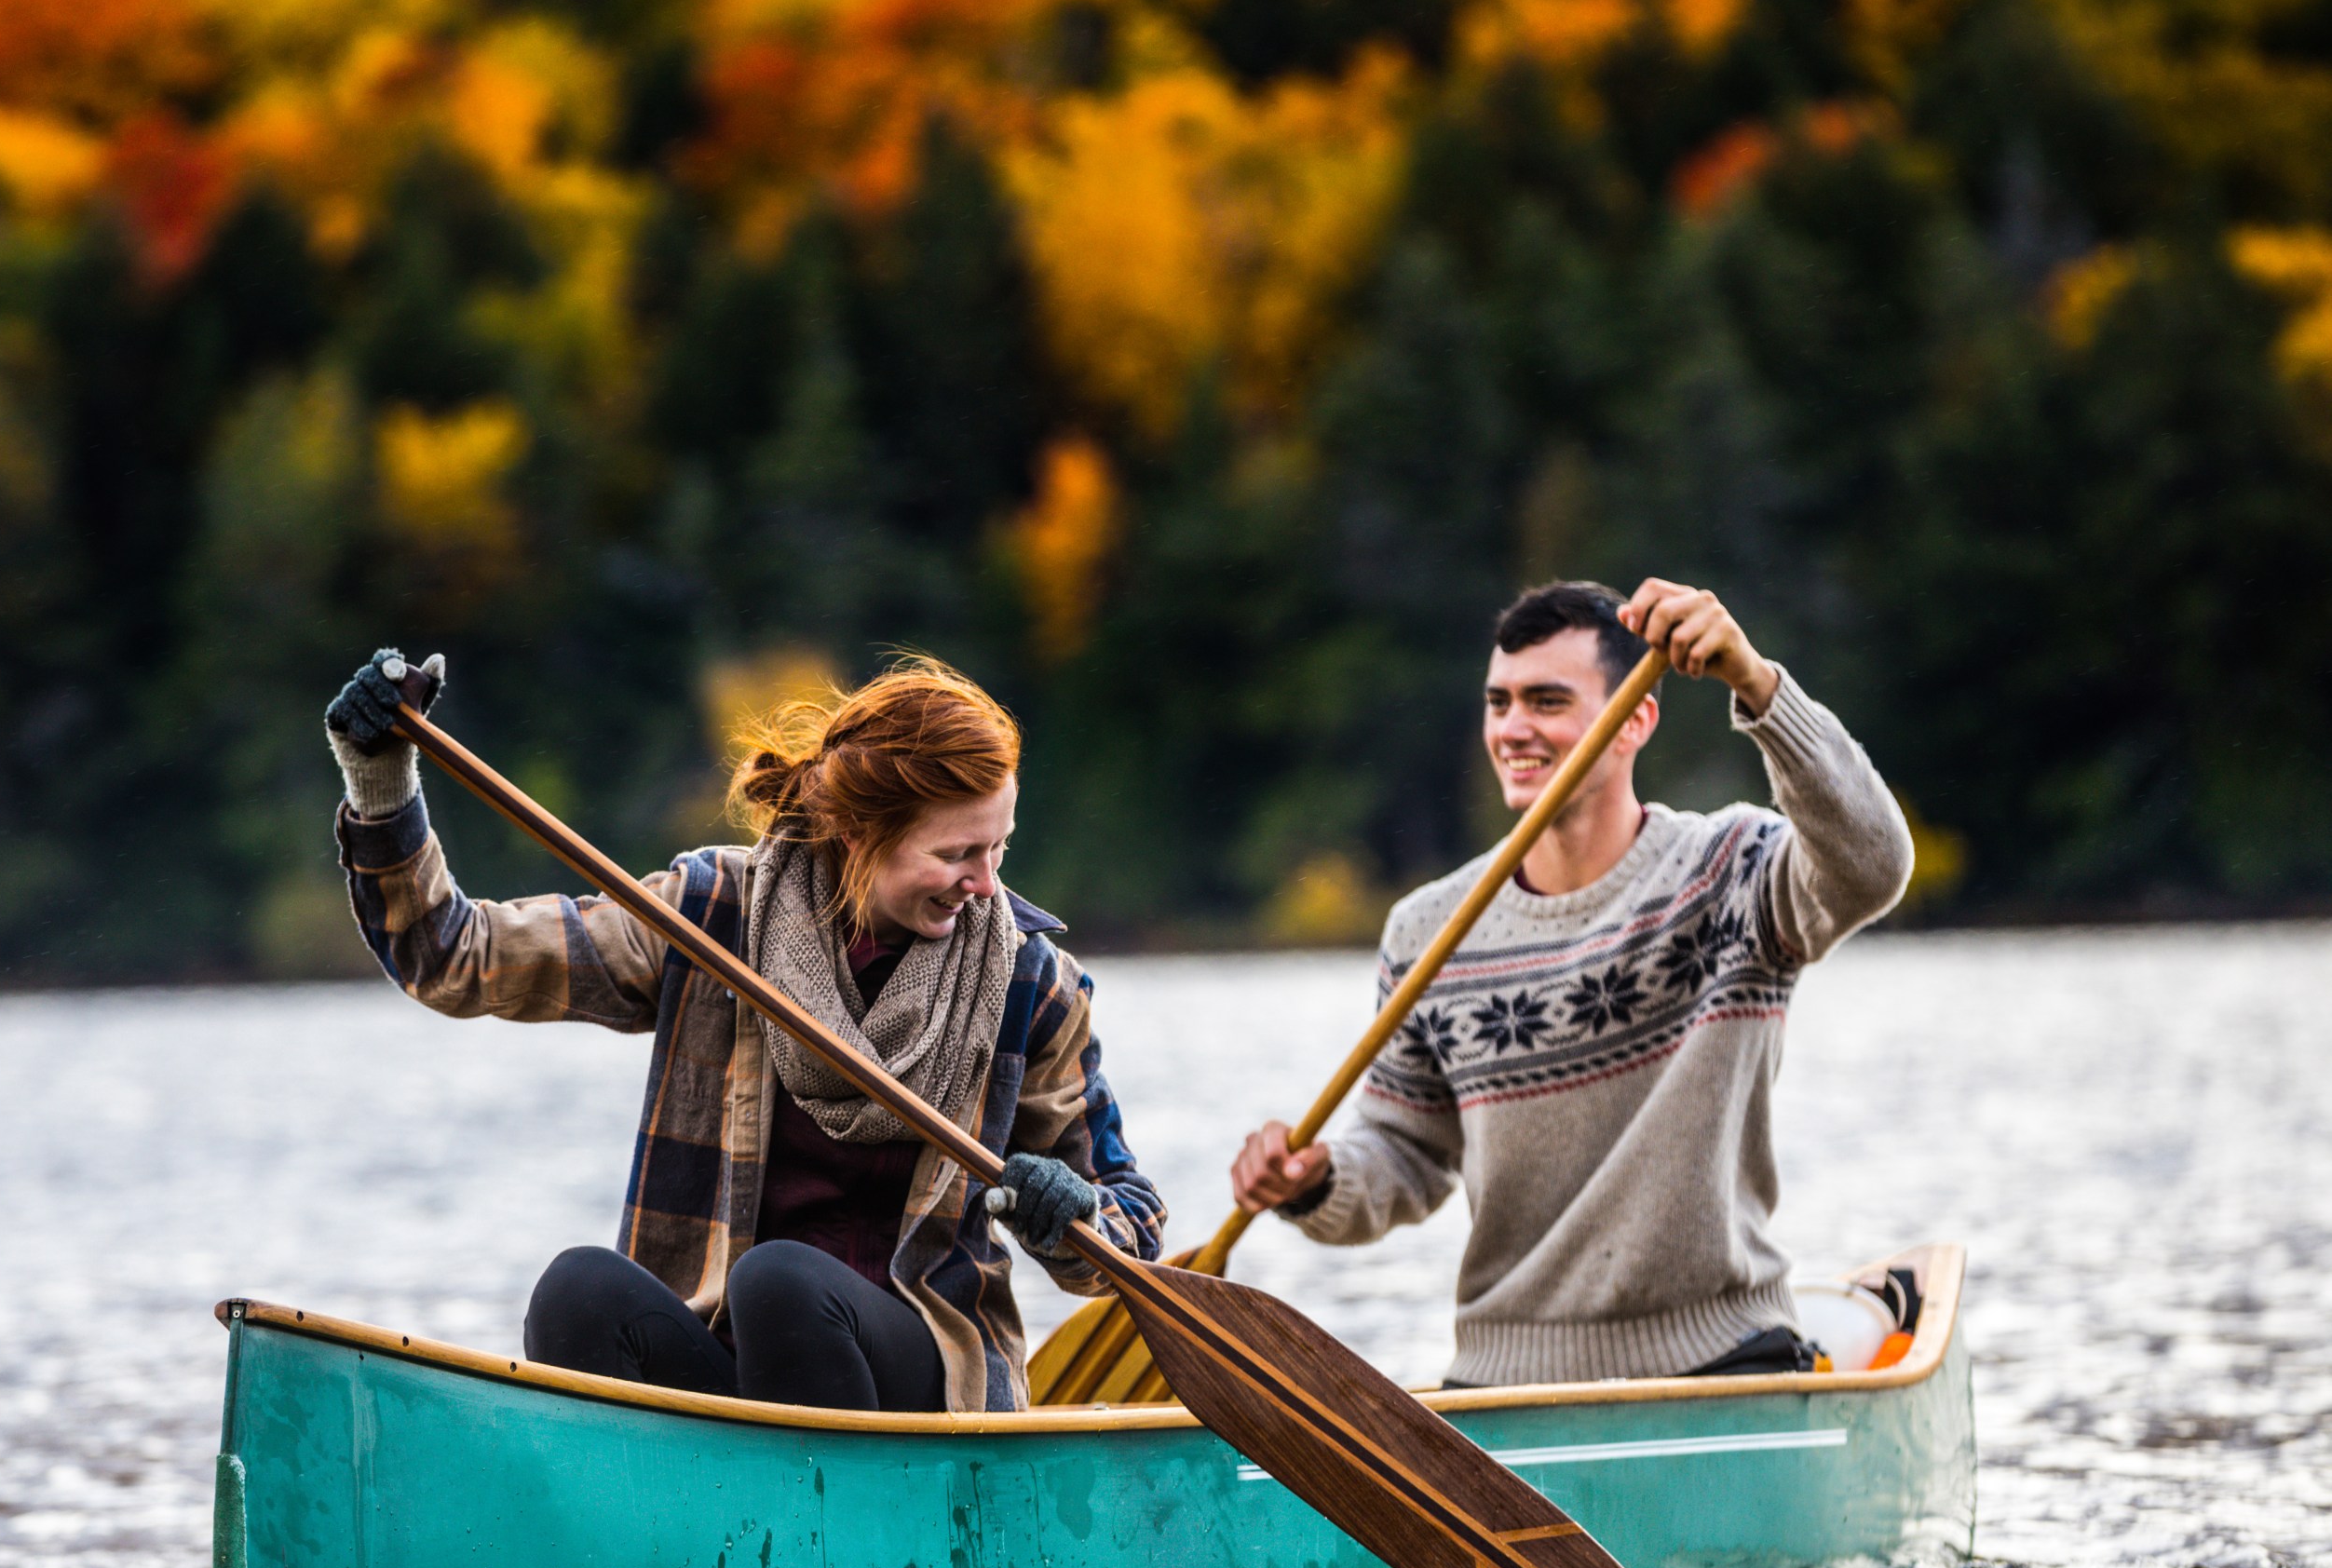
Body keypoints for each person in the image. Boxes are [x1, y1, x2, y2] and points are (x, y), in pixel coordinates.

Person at [321, 649, 1163, 1413]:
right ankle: (639, 1549)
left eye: (999, 849)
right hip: (729, 1361)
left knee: (783, 1283)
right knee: (577, 1288)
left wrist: (1075, 1213)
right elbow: (455, 957)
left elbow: (1132, 1229)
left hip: (926, 1389)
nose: (986, 886)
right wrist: (380, 784)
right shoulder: (711, 914)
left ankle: (832, 1555)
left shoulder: (1029, 981)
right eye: (956, 856)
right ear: (856, 834)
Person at [1229, 579, 1916, 1387]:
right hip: (1501, 1385)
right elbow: (1406, 1156)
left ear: (1634, 720)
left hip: (1725, 1364)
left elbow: (1872, 865)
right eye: (1499, 703)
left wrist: (1755, 682)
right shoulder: (1425, 930)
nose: (1514, 728)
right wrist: (1315, 1180)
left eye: (1548, 701)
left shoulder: (1730, 871)